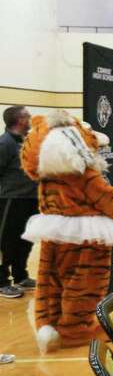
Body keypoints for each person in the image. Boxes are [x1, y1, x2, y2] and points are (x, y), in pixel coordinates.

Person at [0, 106, 37, 299]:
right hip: (11, 200)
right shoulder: (5, 143)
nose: (30, 118)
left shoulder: (28, 141)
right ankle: (2, 282)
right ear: (20, 120)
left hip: (30, 199)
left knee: (26, 240)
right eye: (27, 116)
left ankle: (21, 276)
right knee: (7, 242)